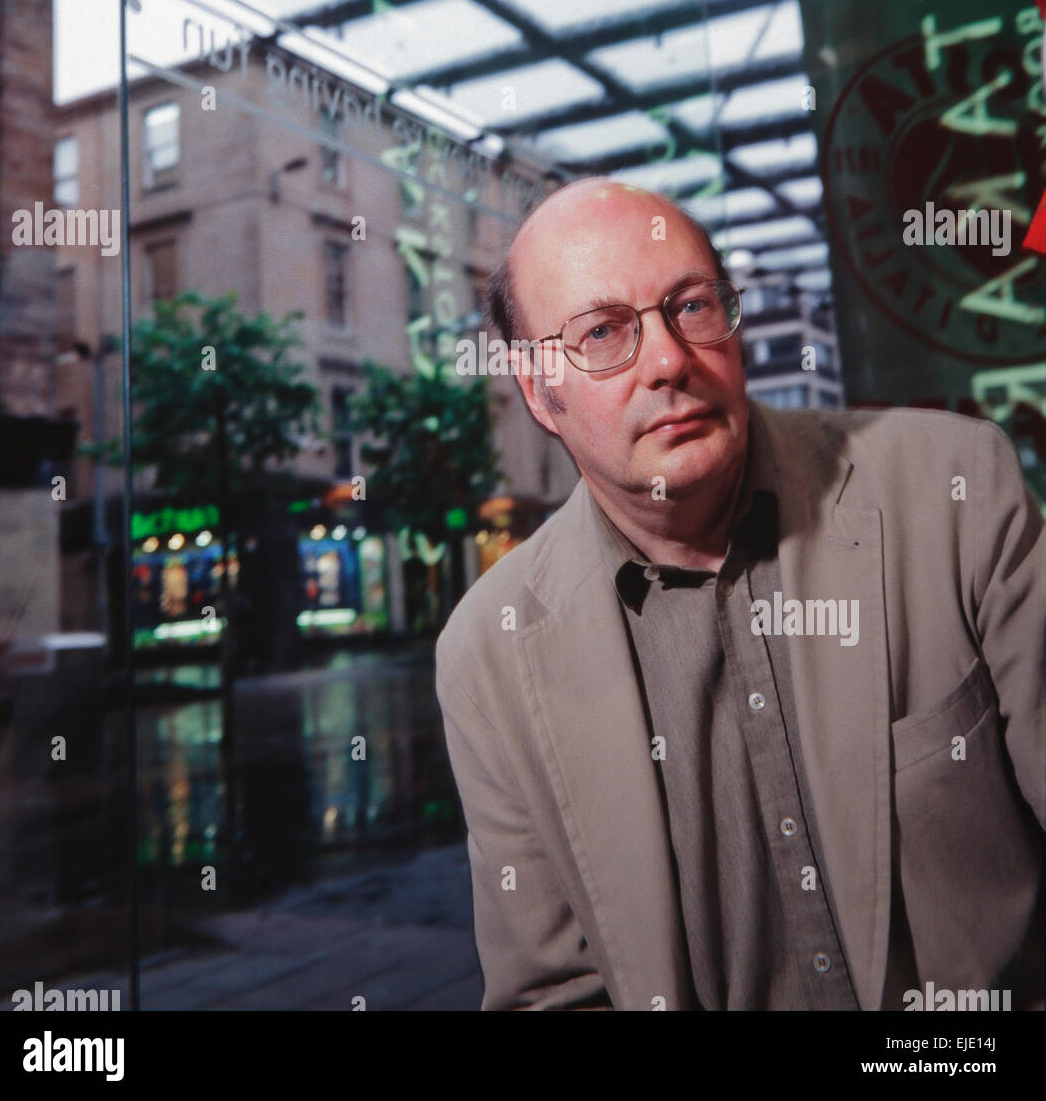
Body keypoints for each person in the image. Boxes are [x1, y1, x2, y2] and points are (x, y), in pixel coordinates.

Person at [434, 177, 1045, 1011]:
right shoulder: (487, 653)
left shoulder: (952, 488)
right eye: (603, 332)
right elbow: (551, 994)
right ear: (540, 390)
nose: (667, 361)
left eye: (691, 307)